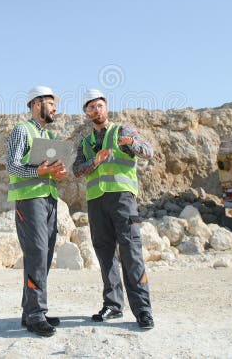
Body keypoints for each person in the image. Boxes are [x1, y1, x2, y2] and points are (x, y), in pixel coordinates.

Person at [72, 88, 155, 330]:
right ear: (86, 113)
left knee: (131, 252)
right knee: (105, 254)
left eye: (99, 105)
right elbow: (77, 170)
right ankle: (113, 305)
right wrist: (95, 161)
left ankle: (143, 310)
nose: (96, 110)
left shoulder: (122, 131)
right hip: (96, 202)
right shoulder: (85, 143)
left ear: (106, 107)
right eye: (91, 107)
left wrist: (132, 143)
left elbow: (149, 152)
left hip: (122, 199)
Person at [5, 85, 68, 337]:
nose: (54, 108)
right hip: (29, 200)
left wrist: (57, 173)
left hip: (49, 199)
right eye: (50, 103)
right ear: (36, 104)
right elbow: (12, 166)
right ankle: (35, 314)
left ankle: (30, 311)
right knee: (37, 253)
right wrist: (38, 171)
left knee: (45, 254)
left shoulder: (49, 136)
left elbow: (49, 171)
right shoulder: (22, 130)